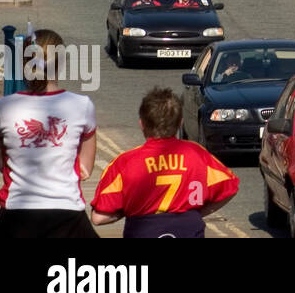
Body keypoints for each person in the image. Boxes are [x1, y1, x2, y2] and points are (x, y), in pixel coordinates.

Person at [90, 87, 239, 237]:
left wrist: (129, 210)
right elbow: (230, 187)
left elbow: (98, 218)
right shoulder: (196, 153)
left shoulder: (124, 163)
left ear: (142, 124)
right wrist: (197, 212)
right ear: (180, 123)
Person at [0, 29, 98, 238]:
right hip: (67, 215)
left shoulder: (3, 107)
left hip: (16, 215)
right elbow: (85, 169)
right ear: (61, 64)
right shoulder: (82, 105)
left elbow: (1, 164)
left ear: (24, 66)